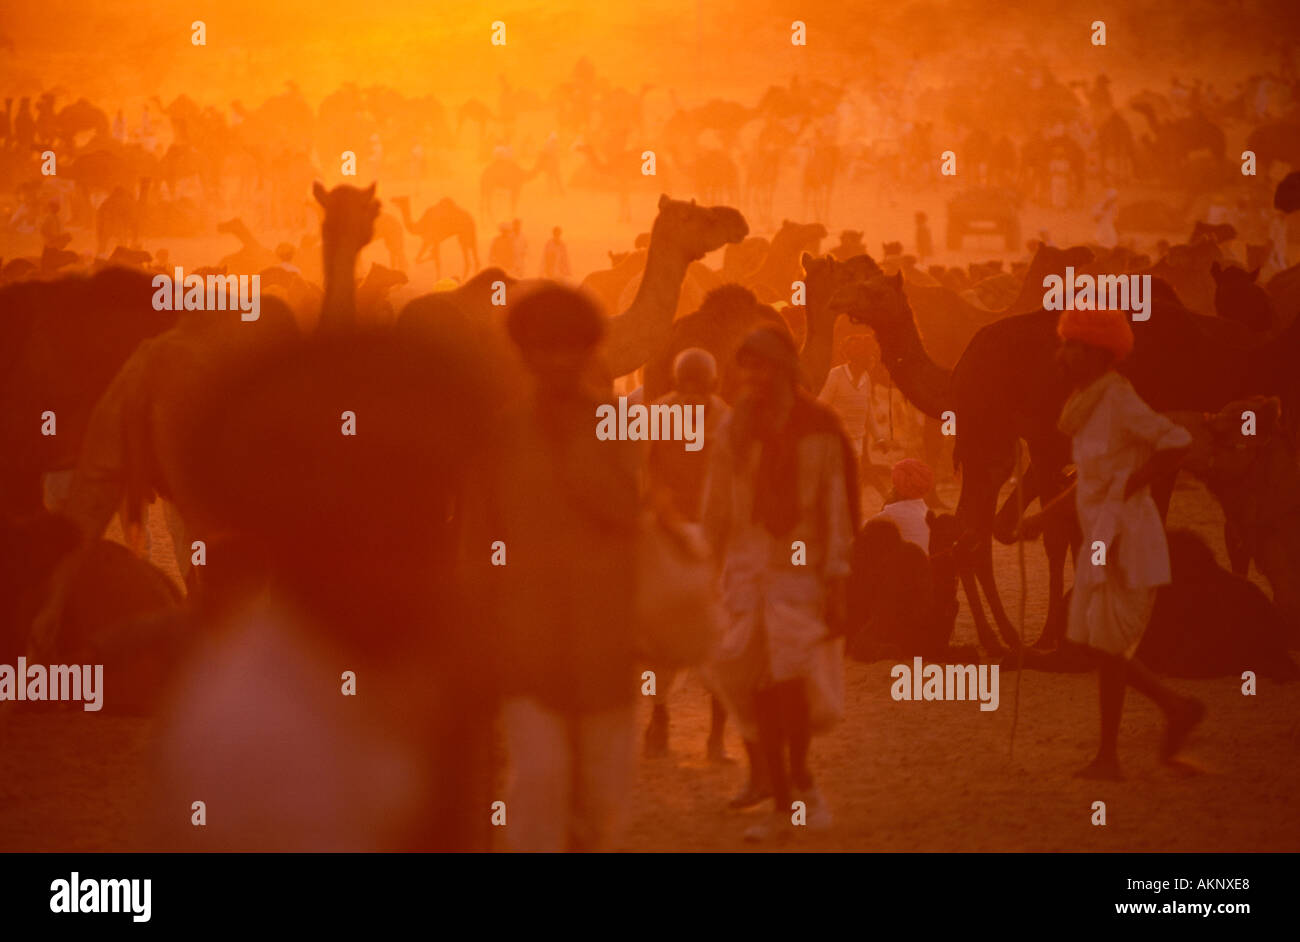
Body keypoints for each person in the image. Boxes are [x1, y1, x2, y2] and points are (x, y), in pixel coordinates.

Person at [486, 285, 641, 851]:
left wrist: (575, 453)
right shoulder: (499, 437)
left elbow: (638, 518)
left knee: (599, 805)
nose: (555, 361)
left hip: (607, 645)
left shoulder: (618, 428)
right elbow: (477, 545)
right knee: (540, 783)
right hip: (528, 650)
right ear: (523, 353)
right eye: (542, 348)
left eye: (568, 347)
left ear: (588, 350)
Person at [1017, 307, 1203, 780]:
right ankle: (1165, 714)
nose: (1061, 354)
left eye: (1070, 346)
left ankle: (1119, 749)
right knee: (1102, 644)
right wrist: (1042, 518)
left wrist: (1130, 484)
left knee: (1106, 644)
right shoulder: (1090, 404)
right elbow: (1090, 483)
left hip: (1126, 535)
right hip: (1101, 533)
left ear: (1096, 353)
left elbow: (1177, 442)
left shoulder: (1120, 401)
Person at [702, 326, 858, 841]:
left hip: (801, 572)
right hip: (747, 572)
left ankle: (802, 786)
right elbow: (718, 505)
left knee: (792, 683)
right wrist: (707, 567)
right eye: (746, 366)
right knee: (754, 684)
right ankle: (783, 800)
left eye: (763, 365)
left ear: (785, 367)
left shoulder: (820, 428)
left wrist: (838, 581)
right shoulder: (735, 429)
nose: (753, 376)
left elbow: (836, 510)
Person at [642, 348, 731, 760]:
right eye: (689, 386)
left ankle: (703, 733)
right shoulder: (664, 416)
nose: (695, 395)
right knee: (677, 637)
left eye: (700, 387)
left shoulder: (724, 420)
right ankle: (672, 723)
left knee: (705, 638)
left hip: (698, 539)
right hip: (676, 538)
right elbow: (643, 475)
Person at [872, 458, 934, 553]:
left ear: (898, 489)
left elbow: (866, 529)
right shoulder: (925, 509)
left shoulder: (893, 511)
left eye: (895, 486)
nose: (892, 489)